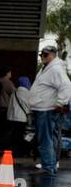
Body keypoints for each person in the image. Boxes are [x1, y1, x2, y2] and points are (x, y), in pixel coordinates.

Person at [29, 44, 71, 174]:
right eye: (42, 54)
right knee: (48, 138)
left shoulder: (55, 69)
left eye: (45, 54)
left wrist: (60, 103)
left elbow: (66, 85)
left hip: (46, 109)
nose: (42, 56)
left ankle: (48, 167)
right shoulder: (48, 68)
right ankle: (50, 165)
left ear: (53, 55)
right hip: (43, 108)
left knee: (45, 138)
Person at [8, 74, 32, 157]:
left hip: (12, 117)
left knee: (14, 136)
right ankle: (20, 152)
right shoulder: (27, 93)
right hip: (22, 118)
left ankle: (14, 151)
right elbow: (30, 106)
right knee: (21, 136)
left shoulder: (14, 92)